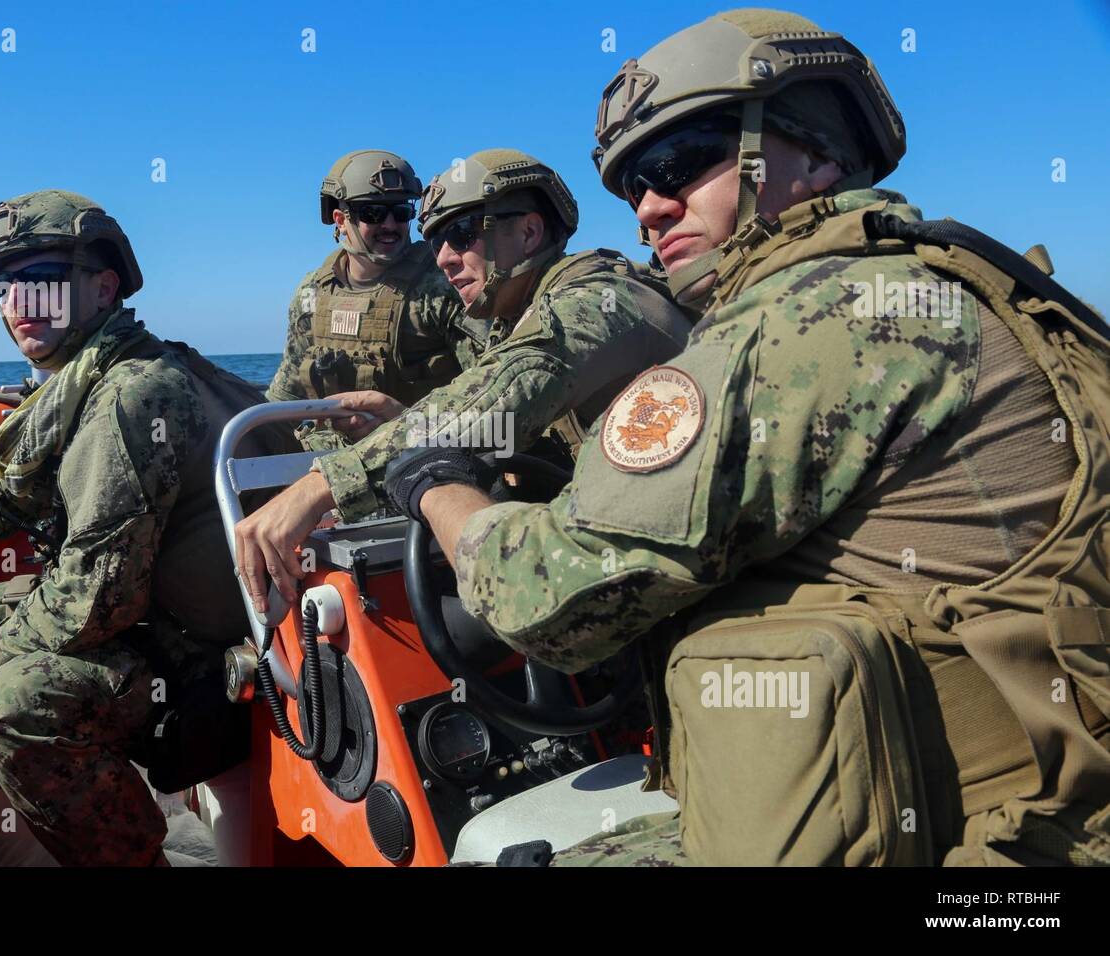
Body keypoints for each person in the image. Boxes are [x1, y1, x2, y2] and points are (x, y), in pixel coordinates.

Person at [387, 9, 1110, 866]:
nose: (650, 208)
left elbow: (547, 603)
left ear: (812, 151)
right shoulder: (946, 277)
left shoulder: (810, 321)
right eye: (631, 188)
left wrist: (435, 483)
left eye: (678, 161)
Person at [0, 189, 291, 866]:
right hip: (152, 611)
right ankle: (31, 803)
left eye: (40, 283)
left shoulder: (130, 394)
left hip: (193, 650)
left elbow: (100, 596)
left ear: (103, 287)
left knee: (13, 702)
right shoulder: (84, 378)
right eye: (3, 289)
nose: (18, 306)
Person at [235, 149, 691, 614]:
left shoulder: (592, 303)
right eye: (435, 242)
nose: (445, 259)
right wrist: (407, 424)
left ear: (530, 232)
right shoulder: (513, 315)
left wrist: (320, 487)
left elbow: (502, 392)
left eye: (460, 234)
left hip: (677, 579)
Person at [266, 150, 468, 450]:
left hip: (419, 459)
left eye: (400, 212)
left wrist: (409, 425)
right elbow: (287, 394)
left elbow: (487, 393)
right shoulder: (313, 291)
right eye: (372, 213)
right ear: (340, 219)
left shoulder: (442, 285)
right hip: (323, 460)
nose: (390, 225)